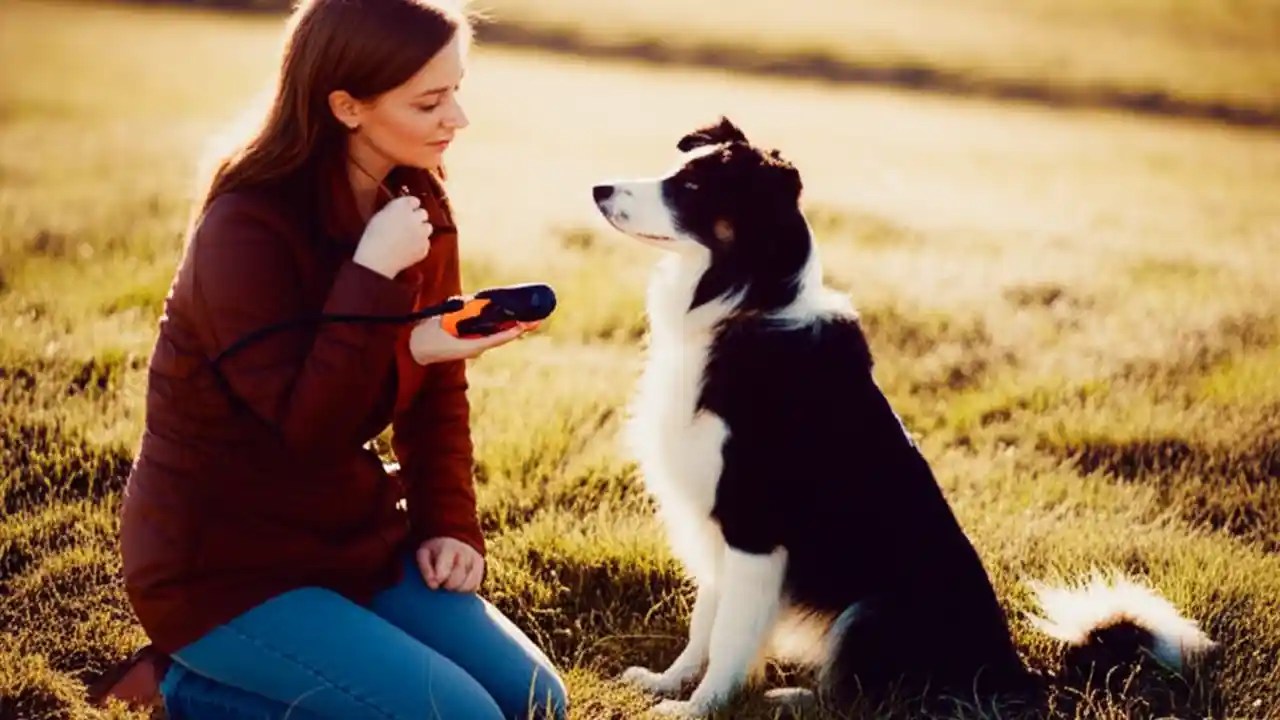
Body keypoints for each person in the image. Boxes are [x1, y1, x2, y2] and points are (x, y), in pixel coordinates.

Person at [91, 0, 569, 718]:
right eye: (431, 100)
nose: (458, 119)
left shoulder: (416, 199)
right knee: (462, 717)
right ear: (347, 107)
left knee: (536, 702)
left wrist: (447, 525)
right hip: (223, 565)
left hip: (346, 540)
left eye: (457, 90)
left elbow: (437, 388)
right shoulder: (246, 226)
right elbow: (307, 430)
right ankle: (182, 686)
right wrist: (376, 281)